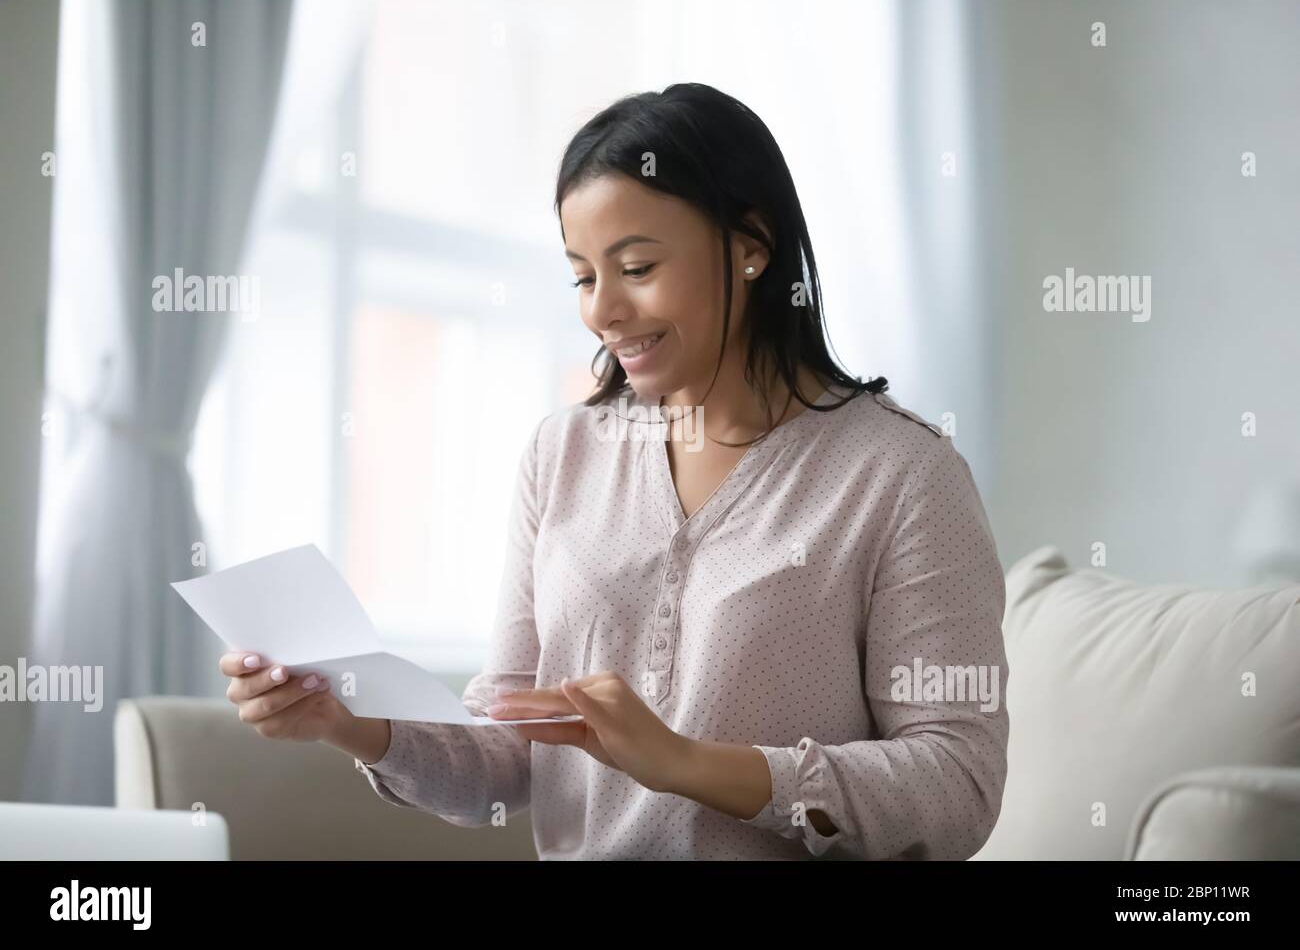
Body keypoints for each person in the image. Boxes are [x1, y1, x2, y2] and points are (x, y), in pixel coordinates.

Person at [220, 82, 1009, 860]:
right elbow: (507, 757)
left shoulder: (903, 476)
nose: (601, 311)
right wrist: (348, 721)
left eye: (635, 268)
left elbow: (957, 785)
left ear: (751, 248)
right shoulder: (562, 456)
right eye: (584, 276)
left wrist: (688, 764)